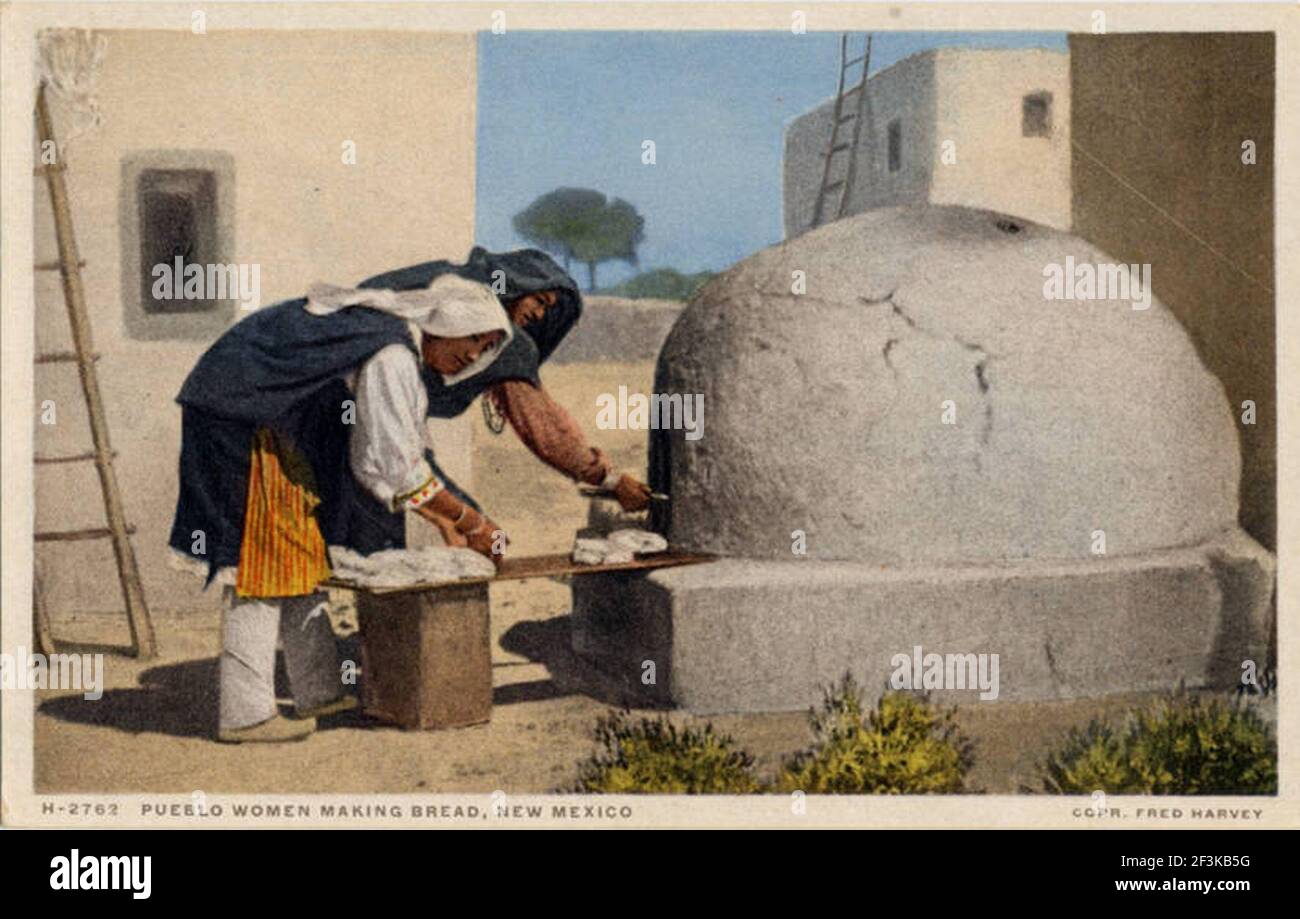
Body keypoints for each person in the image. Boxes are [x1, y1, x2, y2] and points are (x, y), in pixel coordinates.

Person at [169, 249, 650, 743]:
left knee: (298, 556)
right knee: (258, 565)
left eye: (486, 348)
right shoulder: (393, 356)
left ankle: (319, 690)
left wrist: (446, 520)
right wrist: (470, 521)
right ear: (441, 327)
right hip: (236, 415)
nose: (474, 357)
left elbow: (394, 455)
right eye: (471, 342)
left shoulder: (405, 350)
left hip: (269, 419)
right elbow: (392, 466)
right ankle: (244, 714)